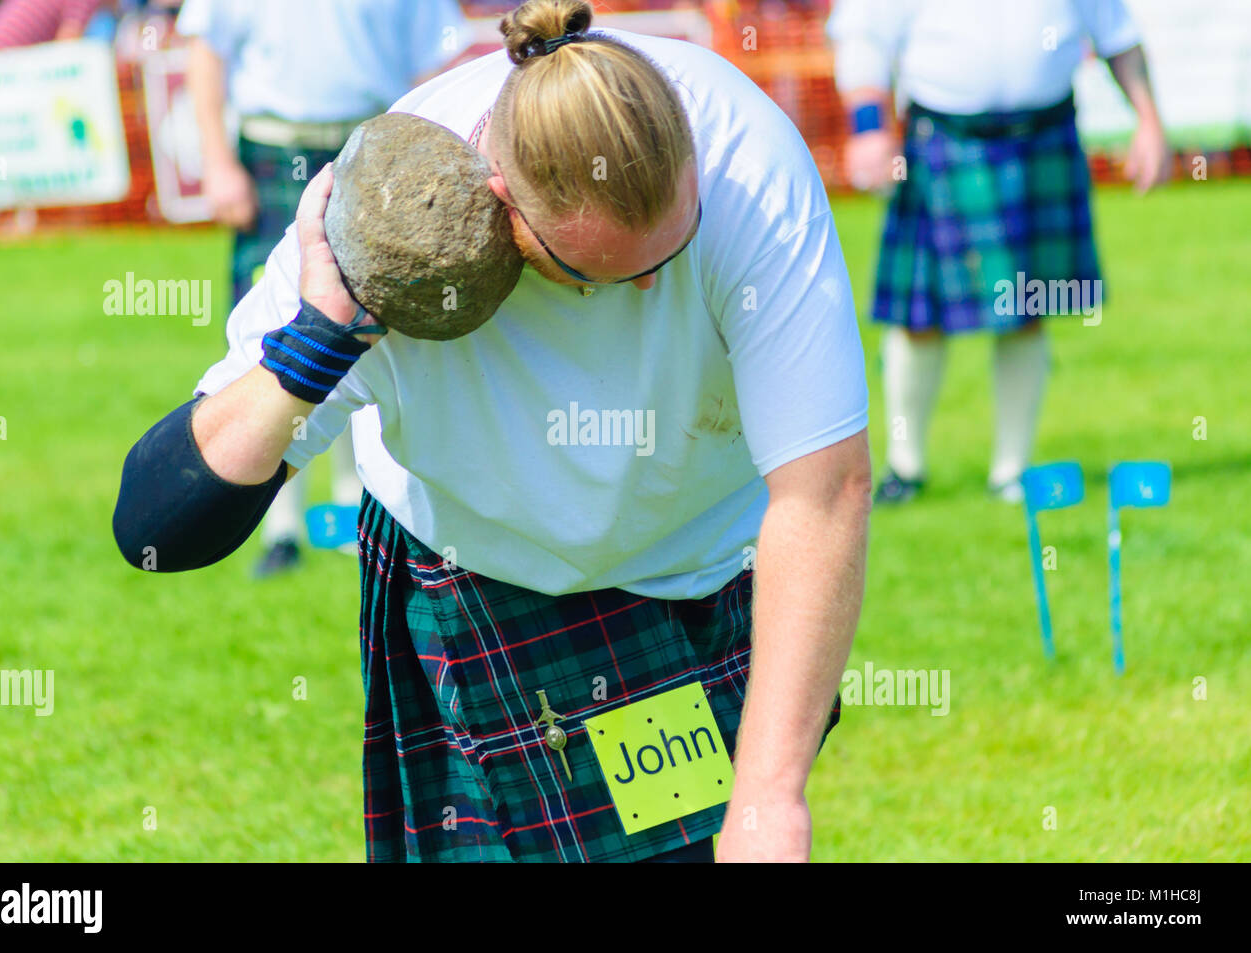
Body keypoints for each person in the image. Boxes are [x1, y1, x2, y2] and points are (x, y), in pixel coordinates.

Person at [115, 0, 872, 863]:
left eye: (675, 251)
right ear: (502, 206)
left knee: (692, 849)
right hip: (473, 571)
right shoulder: (390, 228)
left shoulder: (750, 166)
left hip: (689, 568)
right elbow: (153, 531)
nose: (655, 292)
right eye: (602, 274)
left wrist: (771, 801)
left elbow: (825, 488)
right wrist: (319, 342)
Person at [827, 0, 1168, 504]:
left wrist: (1150, 123)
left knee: (1027, 308)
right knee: (921, 317)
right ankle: (905, 467)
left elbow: (1117, 36)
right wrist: (869, 126)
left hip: (1044, 133)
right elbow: (863, 35)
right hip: (943, 135)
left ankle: (1012, 471)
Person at [178, 0, 470, 576]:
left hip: (370, 149)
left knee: (357, 328)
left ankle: (341, 520)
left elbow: (436, 63)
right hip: (269, 149)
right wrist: (216, 162)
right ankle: (279, 528)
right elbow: (206, 54)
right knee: (273, 339)